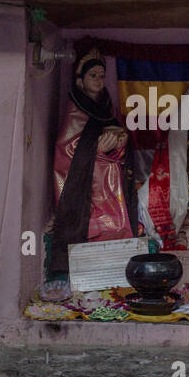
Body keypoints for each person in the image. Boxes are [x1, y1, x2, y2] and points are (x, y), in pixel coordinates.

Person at [50, 50, 138, 274]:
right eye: (93, 75)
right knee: (91, 223)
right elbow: (66, 149)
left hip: (110, 176)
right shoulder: (75, 110)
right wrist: (96, 149)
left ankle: (117, 257)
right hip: (87, 181)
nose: (99, 81)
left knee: (119, 219)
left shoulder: (107, 106)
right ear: (80, 80)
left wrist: (119, 143)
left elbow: (117, 139)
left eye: (101, 75)